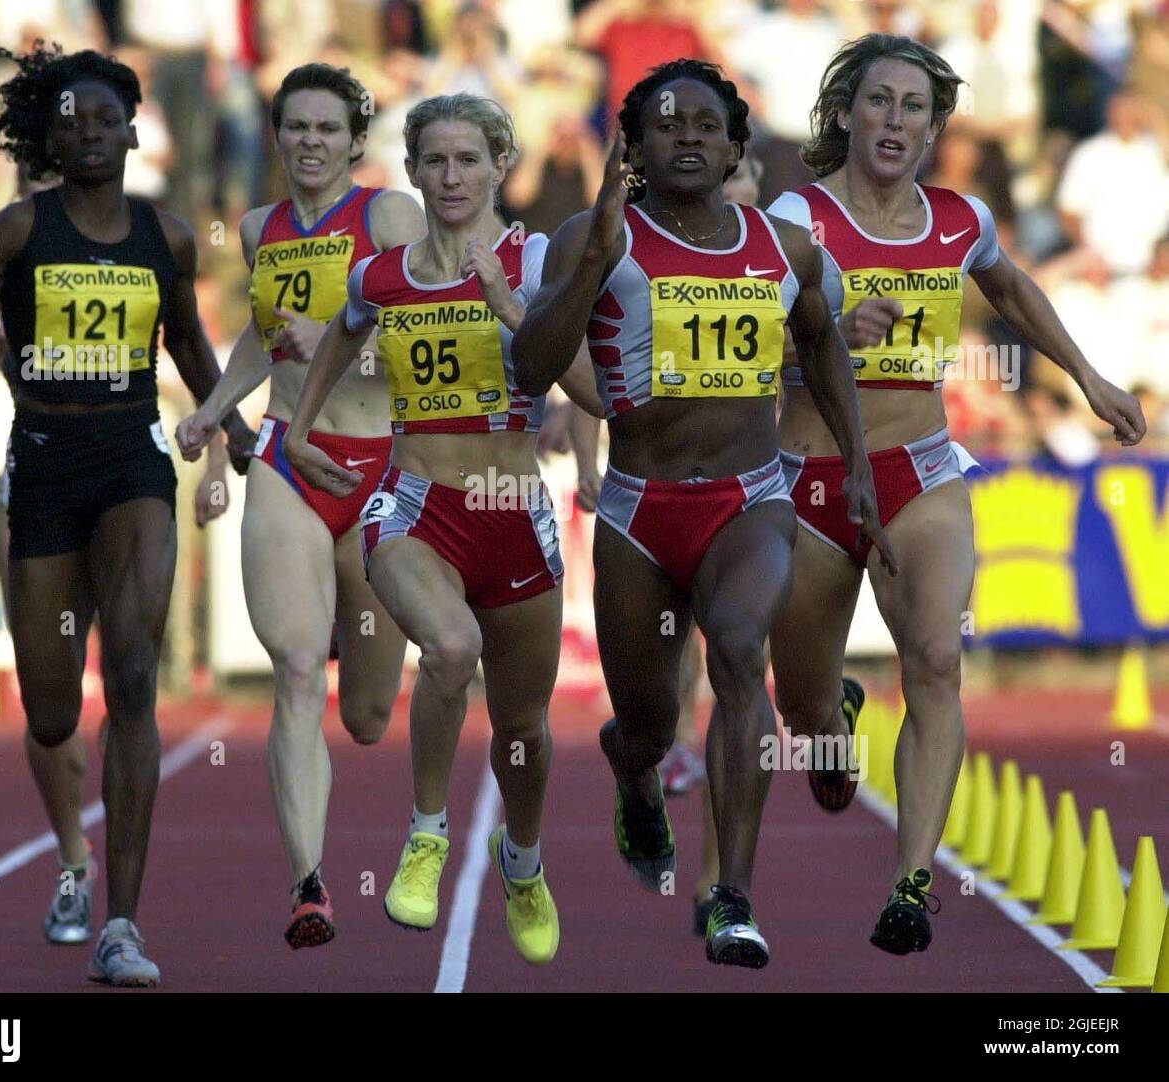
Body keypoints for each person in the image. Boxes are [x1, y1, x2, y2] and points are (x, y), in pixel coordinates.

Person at [766, 33, 1145, 956]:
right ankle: (831, 721)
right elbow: (745, 351)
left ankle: (911, 883)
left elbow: (1011, 291)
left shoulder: (957, 219)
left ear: (935, 128)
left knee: (936, 657)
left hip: (920, 470)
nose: (896, 121)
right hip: (809, 479)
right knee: (805, 713)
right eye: (880, 103)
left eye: (915, 108)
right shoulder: (793, 218)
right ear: (847, 114)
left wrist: (1087, 378)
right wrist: (824, 332)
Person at [512, 59, 890, 968]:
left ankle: (732, 896)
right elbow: (530, 369)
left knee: (739, 652)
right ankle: (633, 769)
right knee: (645, 721)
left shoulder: (784, 247)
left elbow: (823, 343)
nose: (688, 137)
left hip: (752, 496)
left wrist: (858, 466)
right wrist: (598, 256)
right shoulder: (590, 237)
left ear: (733, 146)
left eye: (706, 126)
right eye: (667, 125)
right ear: (634, 146)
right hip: (641, 512)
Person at [0, 44, 255, 987]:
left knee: (136, 675)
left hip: (134, 463)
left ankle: (122, 926)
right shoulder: (19, 231)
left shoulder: (168, 236)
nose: (92, 134)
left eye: (107, 120)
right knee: (56, 713)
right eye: (72, 121)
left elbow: (188, 345)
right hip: (44, 466)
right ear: (48, 137)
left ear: (135, 131)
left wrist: (228, 427)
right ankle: (80, 854)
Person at [281, 92, 603, 965]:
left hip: (514, 514)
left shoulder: (533, 259)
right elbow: (345, 337)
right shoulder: (381, 273)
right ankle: (427, 834)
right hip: (416, 503)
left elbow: (597, 392)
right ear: (413, 171)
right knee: (450, 649)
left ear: (501, 167)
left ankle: (524, 864)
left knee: (524, 729)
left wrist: (514, 311)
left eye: (468, 161)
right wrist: (300, 435)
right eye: (435, 161)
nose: (451, 177)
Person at [177, 63, 427, 948]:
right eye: (296, 127)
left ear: (354, 141)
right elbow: (263, 328)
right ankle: (310, 884)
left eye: (328, 128)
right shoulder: (257, 228)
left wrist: (349, 344)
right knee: (290, 673)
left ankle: (341, 615)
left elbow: (433, 323)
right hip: (288, 454)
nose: (311, 142)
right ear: (277, 135)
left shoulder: (390, 216)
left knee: (363, 719)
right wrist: (216, 408)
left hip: (379, 468)